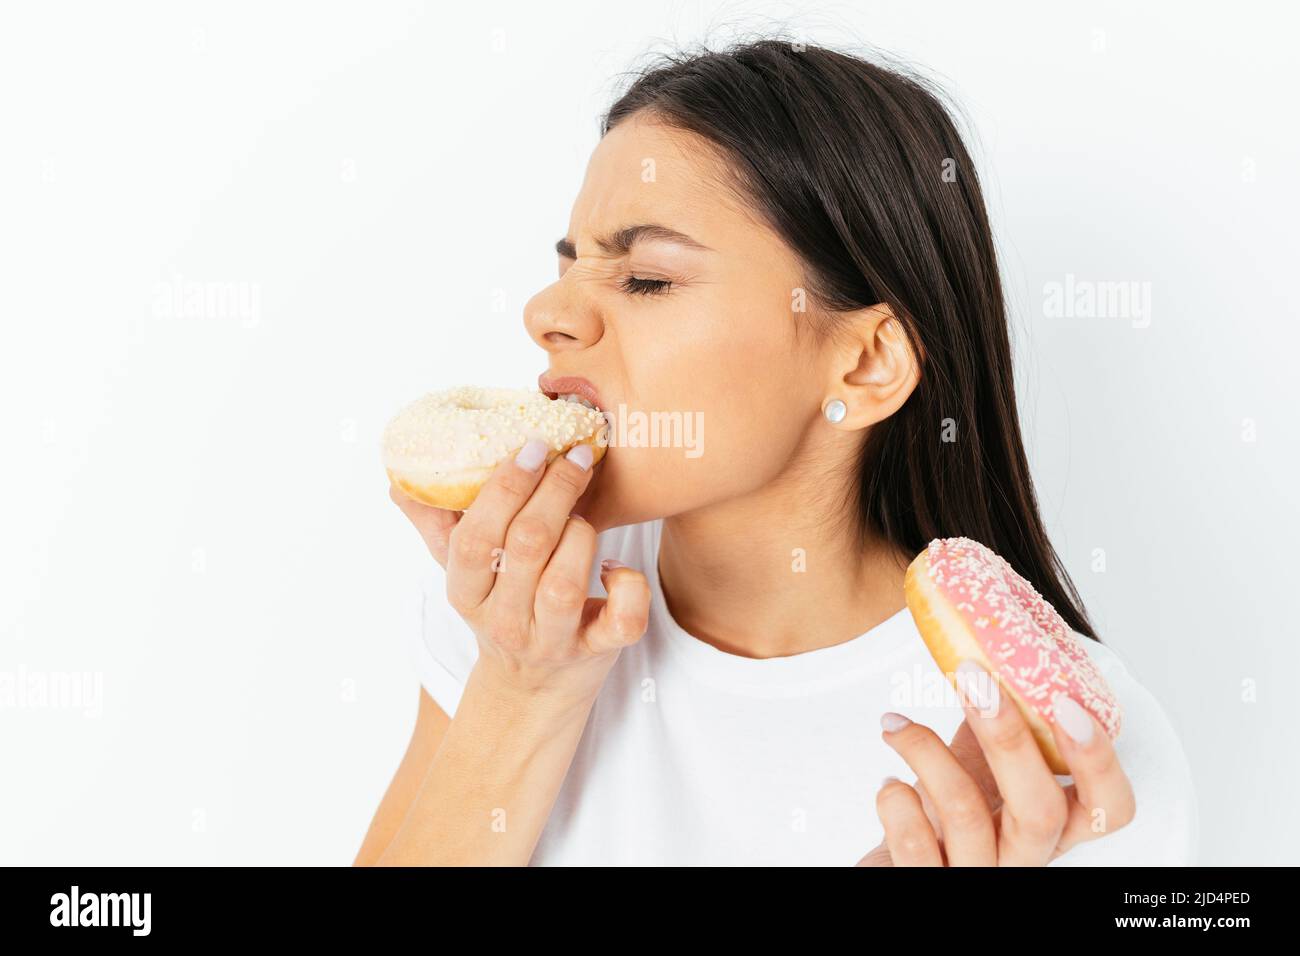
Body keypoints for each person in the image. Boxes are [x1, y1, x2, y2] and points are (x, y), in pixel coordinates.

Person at [356, 38, 1197, 866]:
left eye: (646, 278)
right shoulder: (522, 610)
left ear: (865, 364)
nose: (546, 312)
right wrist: (520, 690)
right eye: (569, 266)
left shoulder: (1054, 755)